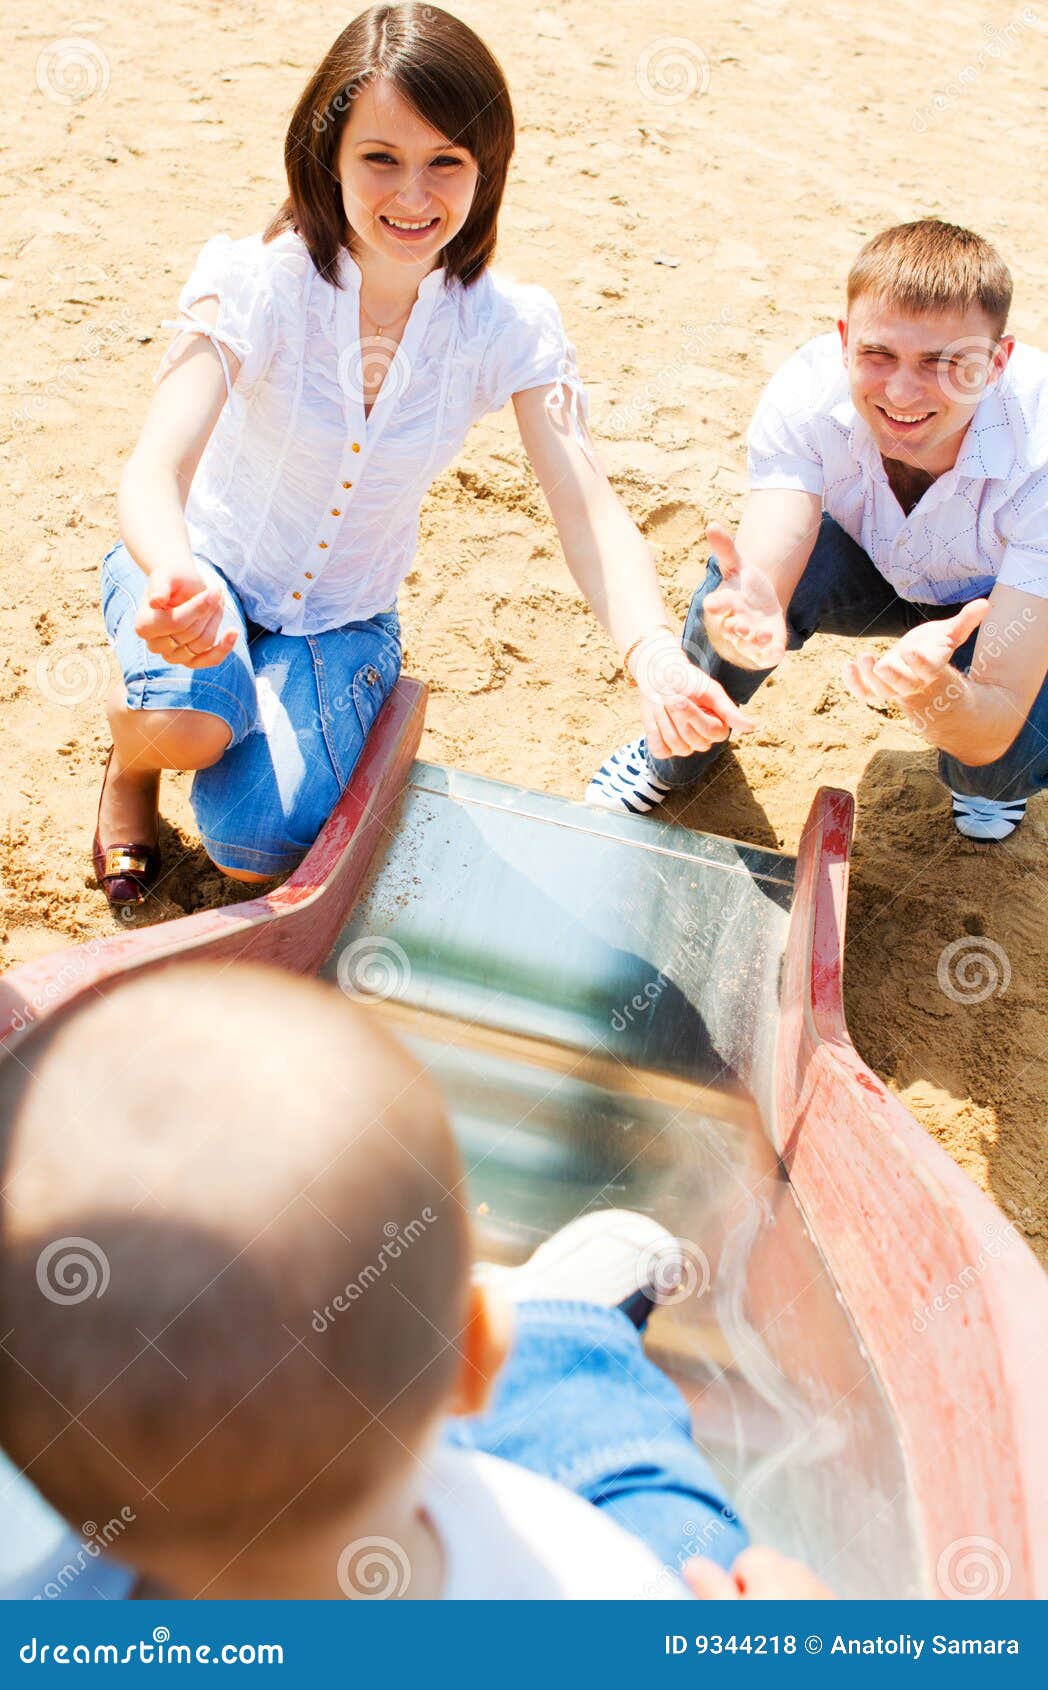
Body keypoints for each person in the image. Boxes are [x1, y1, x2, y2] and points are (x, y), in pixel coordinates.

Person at [94, 2, 746, 909]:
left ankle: (257, 708)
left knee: (259, 840)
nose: (414, 195)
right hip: (196, 578)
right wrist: (175, 573)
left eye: (447, 162)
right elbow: (154, 468)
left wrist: (650, 652)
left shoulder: (505, 326)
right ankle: (131, 766)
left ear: (489, 169)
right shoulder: (254, 281)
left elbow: (587, 504)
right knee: (187, 725)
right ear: (327, 155)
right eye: (381, 159)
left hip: (342, 616)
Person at [0, 961, 767, 1601]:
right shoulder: (607, 1588)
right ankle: (563, 1340)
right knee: (651, 1495)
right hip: (527, 1514)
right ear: (478, 1353)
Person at [587, 220, 1048, 842]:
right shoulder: (809, 391)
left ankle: (984, 782)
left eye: (945, 363)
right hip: (877, 562)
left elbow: (992, 723)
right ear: (844, 341)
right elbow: (766, 578)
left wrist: (937, 695)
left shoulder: (1039, 453)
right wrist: (748, 627)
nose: (903, 392)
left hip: (1006, 603)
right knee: (731, 596)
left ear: (997, 363)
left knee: (992, 765)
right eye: (878, 355)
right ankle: (672, 754)